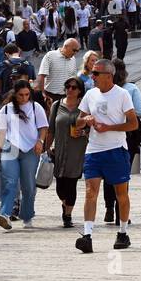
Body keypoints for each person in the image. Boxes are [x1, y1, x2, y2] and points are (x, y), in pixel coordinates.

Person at [74, 59, 137, 253]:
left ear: (108, 76)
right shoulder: (90, 94)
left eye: (95, 73)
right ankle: (87, 236)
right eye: (92, 73)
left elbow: (133, 124)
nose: (91, 76)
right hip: (93, 151)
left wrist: (109, 127)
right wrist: (86, 120)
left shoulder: (122, 94)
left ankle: (123, 232)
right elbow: (77, 122)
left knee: (121, 194)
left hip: (116, 150)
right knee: (90, 192)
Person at [0, 78, 49, 231]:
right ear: (15, 94)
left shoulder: (36, 107)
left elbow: (43, 127)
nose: (24, 98)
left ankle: (27, 214)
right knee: (10, 182)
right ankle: (4, 214)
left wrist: (40, 141)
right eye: (21, 95)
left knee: (28, 185)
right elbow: (2, 132)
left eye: (26, 94)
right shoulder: (6, 109)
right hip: (10, 147)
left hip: (30, 149)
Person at [103, 59, 141, 224]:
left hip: (107, 134)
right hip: (128, 135)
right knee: (122, 175)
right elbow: (140, 111)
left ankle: (109, 208)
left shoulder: (101, 90)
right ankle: (121, 211)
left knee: (107, 174)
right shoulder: (131, 89)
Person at [48, 77, 89, 228]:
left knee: (71, 183)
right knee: (60, 186)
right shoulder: (57, 105)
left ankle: (67, 215)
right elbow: (51, 129)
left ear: (80, 91)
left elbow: (92, 127)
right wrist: (46, 147)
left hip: (77, 152)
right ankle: (65, 204)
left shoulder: (85, 107)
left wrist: (84, 132)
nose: (70, 90)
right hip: (59, 151)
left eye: (73, 87)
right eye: (67, 87)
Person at [37, 37, 80, 109]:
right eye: (74, 50)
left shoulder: (73, 59)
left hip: (66, 96)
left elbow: (73, 79)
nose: (75, 53)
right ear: (66, 46)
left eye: (77, 51)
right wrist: (43, 94)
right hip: (51, 96)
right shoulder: (50, 55)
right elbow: (42, 76)